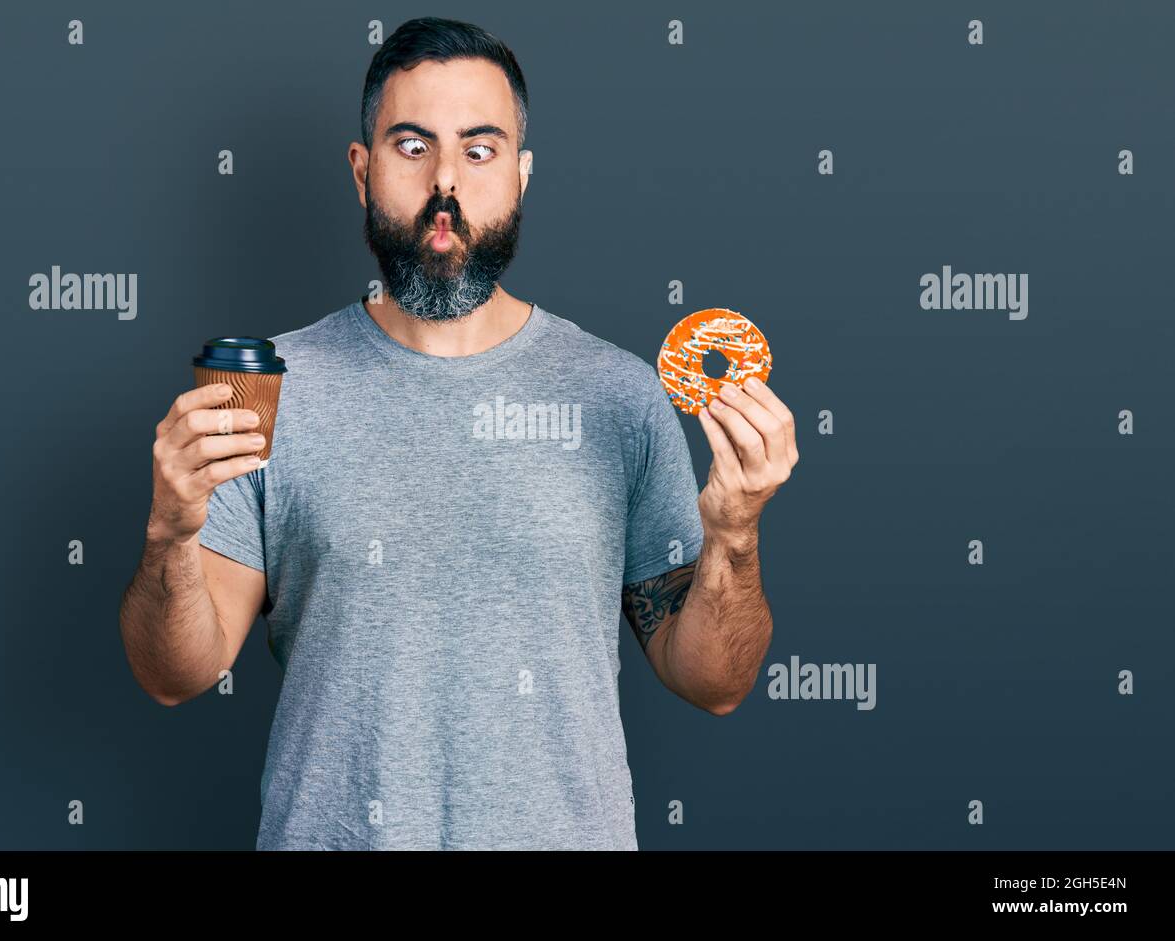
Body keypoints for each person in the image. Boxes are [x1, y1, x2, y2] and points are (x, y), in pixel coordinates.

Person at [119, 16, 798, 850]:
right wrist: (168, 533)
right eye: (412, 146)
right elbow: (175, 674)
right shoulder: (264, 394)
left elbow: (714, 682)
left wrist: (735, 535)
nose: (446, 181)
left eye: (479, 150)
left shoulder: (620, 395)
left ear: (521, 174)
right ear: (361, 171)